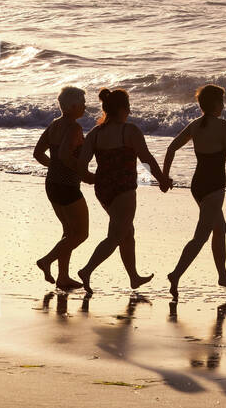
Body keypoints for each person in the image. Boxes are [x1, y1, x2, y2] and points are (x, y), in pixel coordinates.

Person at [161, 84, 226, 299]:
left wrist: (165, 175)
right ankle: (176, 274)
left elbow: (171, 148)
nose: (224, 106)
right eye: (222, 102)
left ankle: (222, 275)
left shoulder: (195, 125)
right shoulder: (223, 126)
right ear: (216, 104)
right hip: (214, 187)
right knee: (200, 237)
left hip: (198, 185)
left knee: (220, 228)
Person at [74, 87, 172, 293]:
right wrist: (162, 179)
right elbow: (146, 158)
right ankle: (87, 270)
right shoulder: (129, 131)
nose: (129, 111)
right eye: (128, 107)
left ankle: (134, 277)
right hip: (124, 189)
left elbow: (81, 164)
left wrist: (90, 178)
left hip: (103, 189)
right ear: (122, 109)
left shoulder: (95, 133)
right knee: (116, 235)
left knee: (127, 232)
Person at [32, 86, 96, 291]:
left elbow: (38, 153)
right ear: (73, 106)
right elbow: (66, 156)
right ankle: (47, 260)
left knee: (68, 232)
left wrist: (55, 167)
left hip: (52, 184)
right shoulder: (73, 128)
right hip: (68, 186)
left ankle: (63, 277)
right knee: (81, 234)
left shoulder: (54, 125)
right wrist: (84, 175)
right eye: (82, 103)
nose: (85, 107)